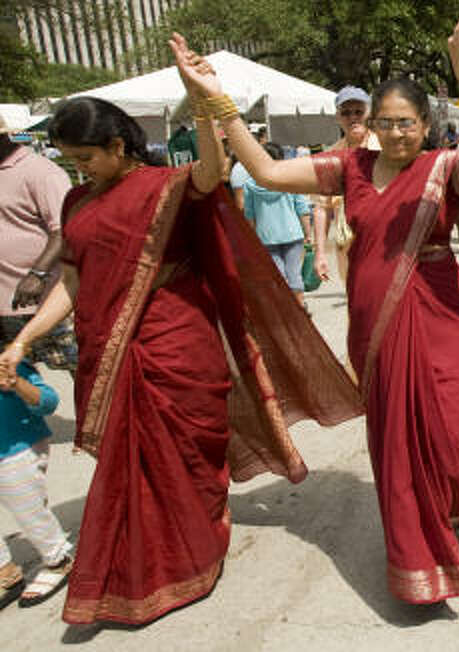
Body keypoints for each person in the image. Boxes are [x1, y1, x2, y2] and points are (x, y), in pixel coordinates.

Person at [172, 26, 459, 606]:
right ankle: (415, 560)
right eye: (387, 122)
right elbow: (269, 173)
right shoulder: (348, 168)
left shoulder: (445, 166)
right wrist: (216, 99)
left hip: (439, 316)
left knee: (455, 427)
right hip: (372, 325)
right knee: (397, 443)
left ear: (425, 126)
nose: (398, 132)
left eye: (408, 122)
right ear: (370, 125)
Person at [0, 80, 362, 624]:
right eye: (72, 161)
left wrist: (203, 103)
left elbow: (211, 173)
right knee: (130, 466)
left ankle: (196, 551)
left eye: (86, 159)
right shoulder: (78, 201)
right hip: (110, 345)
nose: (80, 171)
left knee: (188, 454)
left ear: (118, 147)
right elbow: (71, 280)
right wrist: (25, 338)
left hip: (176, 343)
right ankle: (138, 566)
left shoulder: (166, 186)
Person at [0, 116, 77, 375]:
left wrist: (38, 273)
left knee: (85, 372)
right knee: (14, 382)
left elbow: (66, 229)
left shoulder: (41, 172)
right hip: (5, 304)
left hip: (48, 300)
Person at [0, 358, 72, 610]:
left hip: (17, 453)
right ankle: (6, 572)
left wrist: (16, 384)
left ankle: (57, 560)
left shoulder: (9, 364)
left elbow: (48, 402)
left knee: (29, 511)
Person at [312, 86, 378, 284]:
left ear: (369, 114)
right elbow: (322, 208)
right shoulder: (330, 157)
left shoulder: (385, 148)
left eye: (359, 111)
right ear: (337, 118)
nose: (353, 118)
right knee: (356, 302)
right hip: (347, 244)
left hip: (383, 242)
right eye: (346, 113)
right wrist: (320, 253)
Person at [241, 142, 314, 307]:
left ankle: (285, 310)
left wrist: (252, 238)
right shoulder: (289, 179)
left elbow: (250, 215)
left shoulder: (250, 185)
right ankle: (300, 307)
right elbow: (302, 208)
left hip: (266, 236)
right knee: (294, 273)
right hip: (293, 234)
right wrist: (308, 233)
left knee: (278, 276)